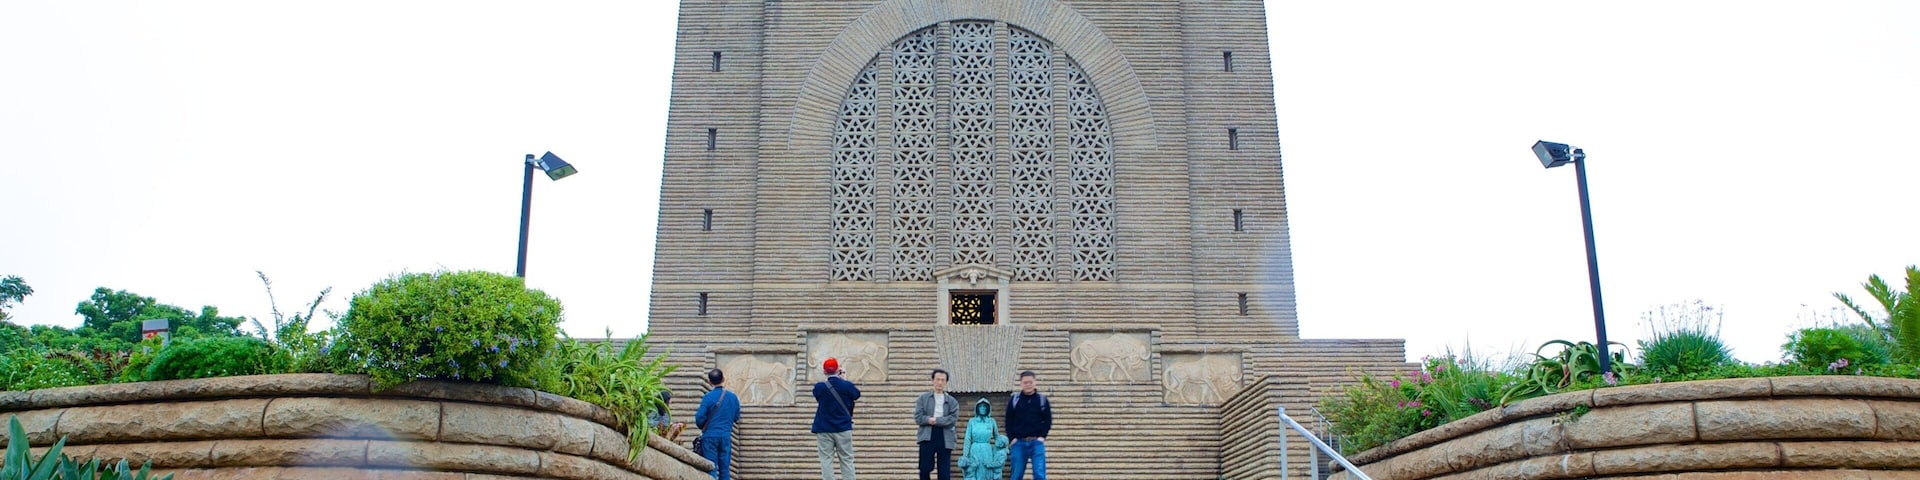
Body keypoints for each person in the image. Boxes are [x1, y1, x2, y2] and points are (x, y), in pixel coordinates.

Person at [811, 357, 862, 480]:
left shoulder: (820, 387)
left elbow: (817, 396)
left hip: (824, 429)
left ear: (824, 371)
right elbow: (856, 395)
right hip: (843, 428)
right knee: (847, 459)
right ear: (838, 370)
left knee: (826, 460)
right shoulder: (847, 386)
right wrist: (844, 380)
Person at [914, 368, 961, 480]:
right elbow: (918, 417)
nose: (940, 382)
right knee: (924, 467)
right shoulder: (923, 398)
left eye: (942, 380)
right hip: (927, 434)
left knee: (944, 469)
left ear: (946, 382)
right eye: (937, 379)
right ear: (933, 381)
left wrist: (937, 421)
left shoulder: (952, 401)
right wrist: (928, 420)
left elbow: (953, 419)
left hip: (945, 435)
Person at [694, 368, 741, 480]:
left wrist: (703, 426)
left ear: (710, 382)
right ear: (723, 379)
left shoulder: (708, 397)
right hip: (725, 436)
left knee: (711, 467)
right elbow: (736, 417)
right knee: (725, 469)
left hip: (710, 437)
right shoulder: (733, 397)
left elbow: (699, 418)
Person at [1005, 370, 1052, 480]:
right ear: (1021, 384)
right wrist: (1012, 438)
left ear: (1035, 382)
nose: (1028, 385)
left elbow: (1048, 420)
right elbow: (1008, 420)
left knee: (1039, 474)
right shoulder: (1014, 400)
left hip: (1036, 443)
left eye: (1030, 382)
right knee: (1016, 475)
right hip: (1019, 443)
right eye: (1025, 382)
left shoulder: (1042, 400)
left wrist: (1042, 437)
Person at [957, 397, 1009, 480]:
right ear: (977, 408)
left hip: (987, 450)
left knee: (986, 471)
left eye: (985, 407)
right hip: (974, 449)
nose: (983, 408)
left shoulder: (991, 421)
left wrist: (1004, 448)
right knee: (974, 470)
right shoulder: (972, 421)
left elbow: (997, 437)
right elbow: (967, 439)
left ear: (988, 408)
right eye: (981, 406)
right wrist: (965, 455)